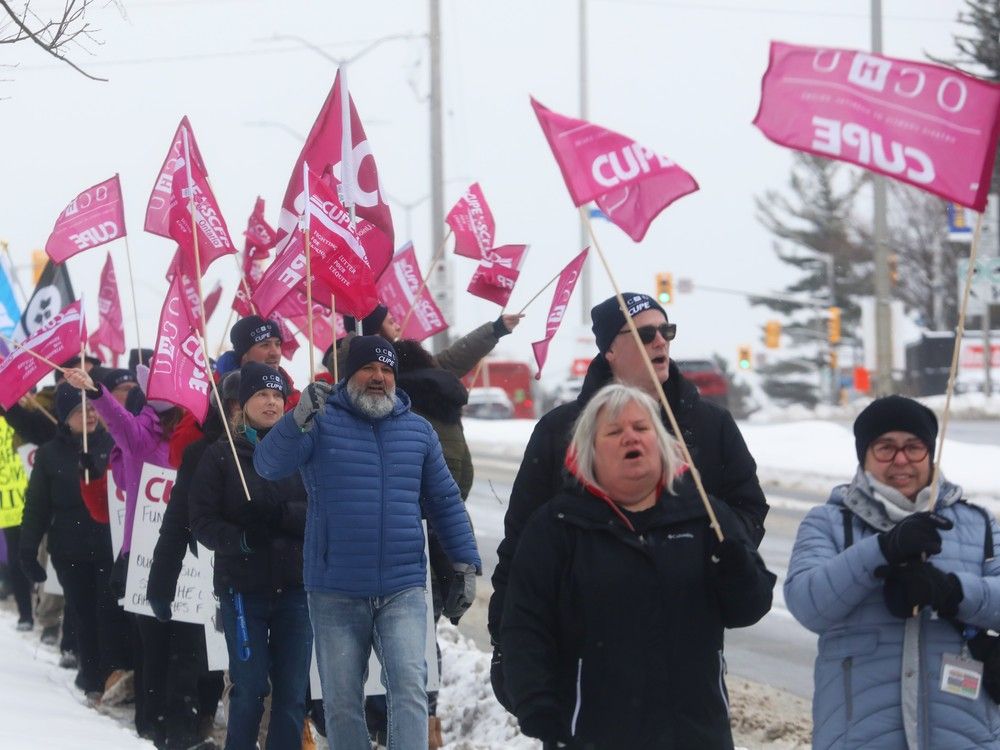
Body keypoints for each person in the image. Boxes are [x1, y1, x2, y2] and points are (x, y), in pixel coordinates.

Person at [488, 292, 770, 705]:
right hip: (585, 648)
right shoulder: (560, 429)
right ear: (610, 350)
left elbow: (749, 507)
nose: (661, 341)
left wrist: (712, 551)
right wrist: (505, 638)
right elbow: (521, 540)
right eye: (645, 334)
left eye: (666, 331)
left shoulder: (710, 424)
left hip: (685, 639)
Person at [502, 384, 774, 747]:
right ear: (590, 452)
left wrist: (739, 572)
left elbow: (749, 608)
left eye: (642, 428)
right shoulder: (558, 526)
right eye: (614, 432)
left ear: (661, 441)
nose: (631, 437)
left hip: (695, 733)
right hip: (593, 734)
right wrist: (536, 705)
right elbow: (524, 624)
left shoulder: (705, 515)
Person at [255, 335, 482, 750]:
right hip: (335, 590)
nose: (379, 377)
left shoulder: (418, 431)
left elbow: (446, 500)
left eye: (387, 369)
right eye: (369, 368)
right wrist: (296, 418)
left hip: (404, 588)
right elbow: (269, 465)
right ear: (348, 374)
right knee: (342, 702)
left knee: (410, 690)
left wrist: (465, 562)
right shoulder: (319, 422)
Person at [785, 396, 1000, 749]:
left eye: (913, 447)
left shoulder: (979, 523)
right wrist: (881, 550)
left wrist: (952, 591)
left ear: (930, 453)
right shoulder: (828, 522)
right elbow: (808, 604)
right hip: (860, 737)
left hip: (965, 736)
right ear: (864, 456)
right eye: (885, 448)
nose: (901, 459)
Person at [189, 362, 312, 750]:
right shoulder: (221, 456)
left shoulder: (302, 451)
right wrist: (242, 539)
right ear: (243, 404)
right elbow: (202, 522)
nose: (272, 402)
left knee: (293, 693)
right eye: (262, 394)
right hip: (242, 589)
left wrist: (281, 515)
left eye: (278, 395)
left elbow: (322, 509)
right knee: (250, 686)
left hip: (296, 589)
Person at [17, 383, 129, 702]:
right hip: (70, 550)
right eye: (81, 410)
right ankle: (91, 676)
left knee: (109, 610)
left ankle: (112, 672)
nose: (90, 415)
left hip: (109, 546)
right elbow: (36, 505)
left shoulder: (113, 445)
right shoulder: (51, 454)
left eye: (92, 408)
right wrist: (28, 551)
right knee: (83, 612)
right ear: (66, 417)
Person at [145, 375, 239, 750]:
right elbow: (176, 522)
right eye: (233, 404)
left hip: (266, 579)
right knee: (194, 658)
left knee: (243, 673)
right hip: (207, 576)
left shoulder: (280, 451)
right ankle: (186, 733)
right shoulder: (201, 453)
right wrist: (161, 582)